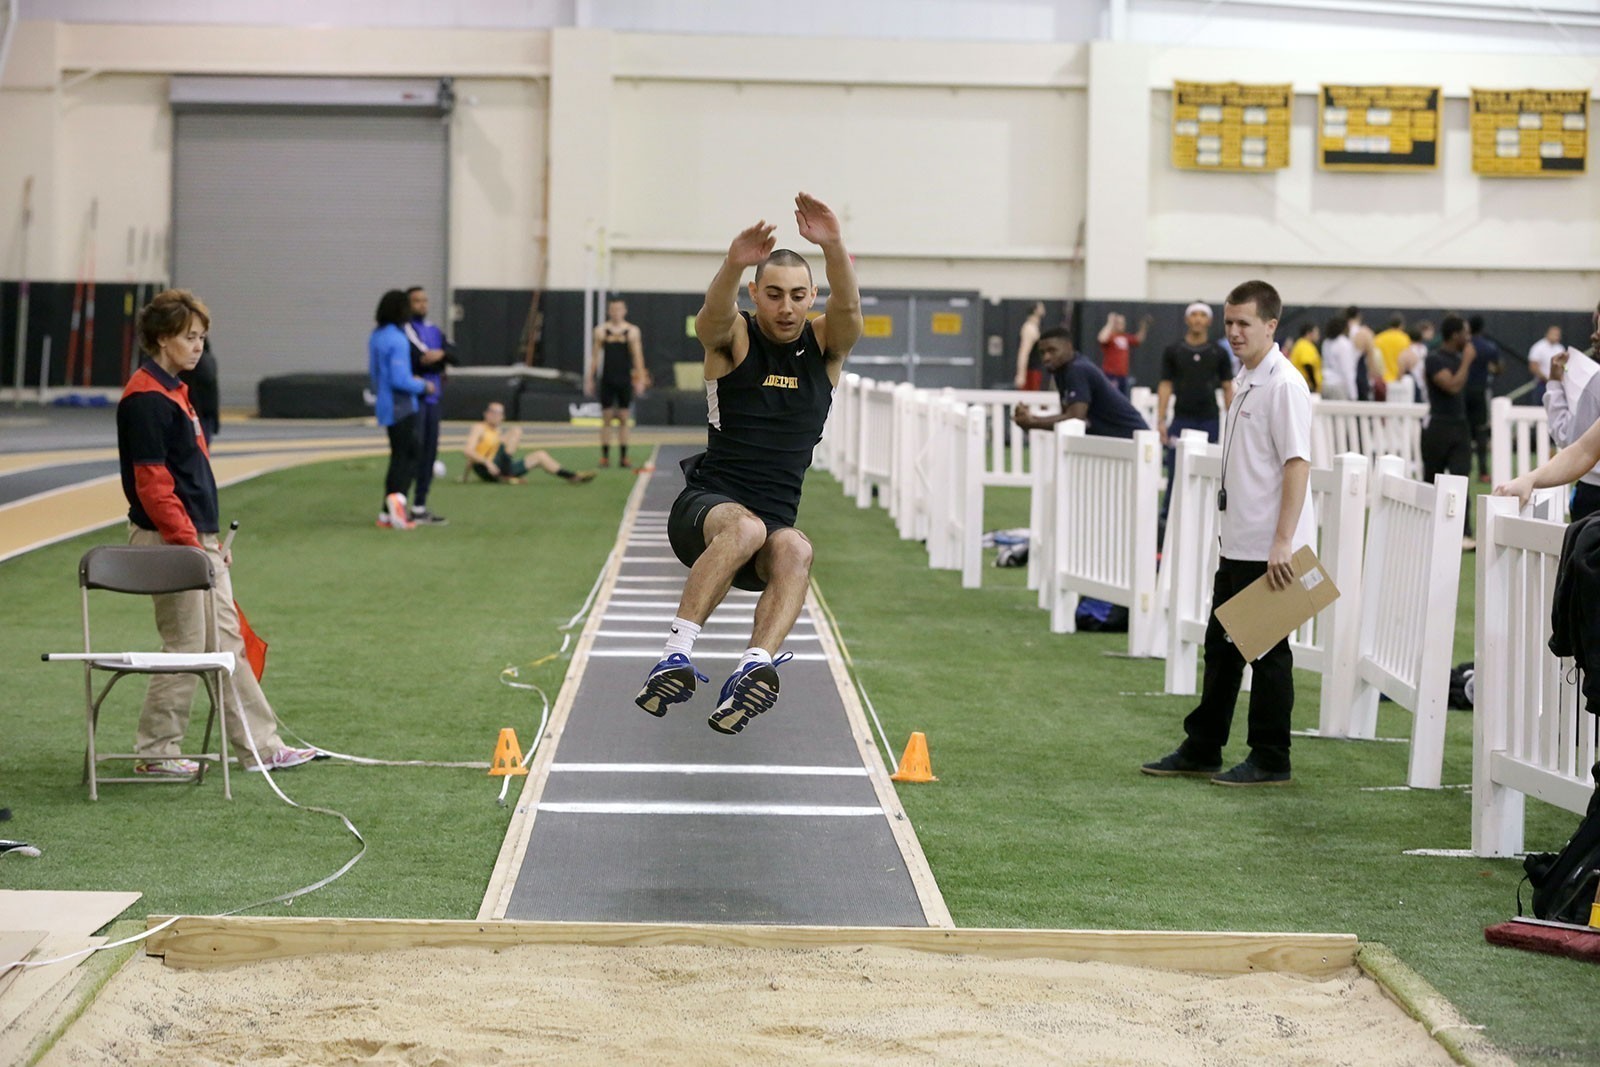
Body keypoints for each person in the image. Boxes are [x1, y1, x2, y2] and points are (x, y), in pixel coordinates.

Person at [636, 192, 862, 734]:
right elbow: (709, 321)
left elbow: (849, 312)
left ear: (812, 298)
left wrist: (833, 245)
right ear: (756, 295)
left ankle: (753, 668)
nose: (787, 308)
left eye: (799, 296)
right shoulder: (735, 337)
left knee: (794, 545)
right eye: (775, 295)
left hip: (770, 526)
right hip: (707, 513)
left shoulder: (826, 345)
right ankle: (674, 655)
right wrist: (734, 264)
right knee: (747, 528)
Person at [116, 289, 318, 775]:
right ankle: (157, 752)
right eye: (190, 336)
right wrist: (191, 544)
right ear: (163, 339)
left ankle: (261, 748)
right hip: (171, 542)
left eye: (202, 336)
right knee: (186, 645)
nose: (199, 345)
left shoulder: (175, 391)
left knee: (227, 644)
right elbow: (154, 486)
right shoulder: (145, 398)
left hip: (194, 541)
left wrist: (207, 541)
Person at [1142, 279, 1312, 787]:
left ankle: (1270, 756)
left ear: (1270, 325)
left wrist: (1283, 541)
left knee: (1269, 653)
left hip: (1271, 547)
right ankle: (1204, 746)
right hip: (1240, 540)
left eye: (1243, 323)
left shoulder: (1283, 384)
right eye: (1229, 323)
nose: (1233, 332)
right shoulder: (1247, 378)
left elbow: (1297, 464)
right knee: (1222, 648)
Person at [1010, 327, 1149, 439]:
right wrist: (1031, 420)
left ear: (1069, 347)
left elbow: (1075, 418)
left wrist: (1033, 421)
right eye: (1042, 352)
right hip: (1118, 443)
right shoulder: (1061, 371)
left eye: (1052, 350)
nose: (1046, 357)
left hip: (1133, 442)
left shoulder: (1077, 369)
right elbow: (1070, 419)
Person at [369, 289, 432, 530]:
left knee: (401, 455)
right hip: (401, 404)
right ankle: (397, 508)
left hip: (386, 402)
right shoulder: (397, 338)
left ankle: (387, 512)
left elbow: (375, 375)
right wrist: (423, 386)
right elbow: (400, 379)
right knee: (407, 458)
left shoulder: (377, 336)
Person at [1540, 301, 1600, 522]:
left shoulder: (1596, 383)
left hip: (1593, 495)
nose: (1594, 336)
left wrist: (1555, 385)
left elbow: (1572, 440)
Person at [1421, 316, 1477, 548]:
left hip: (1460, 425)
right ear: (1455, 335)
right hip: (1438, 427)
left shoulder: (1457, 357)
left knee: (1460, 480)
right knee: (1431, 480)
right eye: (1465, 333)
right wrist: (1466, 362)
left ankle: (1463, 534)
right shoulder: (1434, 359)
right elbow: (1452, 386)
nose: (1468, 338)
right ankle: (1426, 531)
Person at [404, 286, 452, 525]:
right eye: (417, 301)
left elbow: (454, 354)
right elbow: (417, 361)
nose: (422, 305)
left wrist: (439, 356)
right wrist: (436, 360)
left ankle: (420, 506)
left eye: (425, 300)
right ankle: (397, 504)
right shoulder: (406, 329)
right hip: (414, 401)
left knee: (430, 453)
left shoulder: (433, 329)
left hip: (434, 400)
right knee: (412, 453)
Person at [1155, 302, 1234, 446]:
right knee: (1176, 464)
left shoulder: (1219, 352)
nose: (1198, 319)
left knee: (1207, 466)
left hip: (1209, 419)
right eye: (1194, 314)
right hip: (1181, 417)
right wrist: (1160, 419)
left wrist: (1236, 423)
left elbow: (1227, 387)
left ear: (1209, 321)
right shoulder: (1173, 351)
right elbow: (1165, 385)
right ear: (1186, 319)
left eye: (1203, 315)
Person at [463, 401, 594, 485]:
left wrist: (465, 478)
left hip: (500, 468)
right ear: (486, 414)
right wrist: (485, 464)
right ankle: (507, 476)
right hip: (489, 469)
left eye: (500, 413)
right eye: (494, 412)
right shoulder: (479, 428)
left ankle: (572, 476)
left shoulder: (497, 431)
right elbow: (469, 451)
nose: (497, 416)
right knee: (515, 431)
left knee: (540, 455)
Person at [587, 297, 647, 468]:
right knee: (606, 418)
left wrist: (640, 379)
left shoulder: (632, 331)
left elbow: (637, 356)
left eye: (619, 309)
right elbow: (595, 357)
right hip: (607, 378)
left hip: (624, 379)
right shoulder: (601, 331)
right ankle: (605, 456)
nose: (616, 312)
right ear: (609, 311)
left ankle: (623, 456)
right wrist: (590, 378)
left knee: (623, 417)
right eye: (613, 309)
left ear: (624, 311)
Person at [1467, 316, 1504, 483]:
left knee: (1464, 431)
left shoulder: (1464, 346)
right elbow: (1498, 368)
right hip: (1481, 392)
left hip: (1463, 392)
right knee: (1481, 431)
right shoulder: (1489, 347)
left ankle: (1463, 470)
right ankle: (1483, 472)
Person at [1097, 310, 1150, 396]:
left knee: (1123, 398)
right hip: (1111, 375)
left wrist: (1143, 327)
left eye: (1123, 323)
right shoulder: (1110, 336)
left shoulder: (1125, 337)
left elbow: (1138, 339)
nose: (1122, 325)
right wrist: (1109, 323)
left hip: (1123, 375)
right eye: (1118, 323)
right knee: (1112, 397)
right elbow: (1101, 338)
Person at [178, 336, 220, 442]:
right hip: (208, 410)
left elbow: (191, 389)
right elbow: (214, 391)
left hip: (197, 410)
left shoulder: (192, 363)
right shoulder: (210, 360)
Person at [1319, 314, 1358, 400]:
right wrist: (1353, 394)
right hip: (1338, 386)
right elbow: (1347, 370)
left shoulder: (1326, 342)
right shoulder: (1343, 344)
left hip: (1325, 383)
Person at [1394, 321, 1434, 403]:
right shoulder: (1425, 349)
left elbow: (1401, 371)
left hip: (1413, 384)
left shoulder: (1407, 352)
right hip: (1424, 384)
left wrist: (1398, 382)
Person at [1012, 301, 1047, 390]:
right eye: (1041, 307)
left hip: (1035, 370)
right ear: (1035, 310)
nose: (1044, 308)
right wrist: (1021, 375)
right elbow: (1023, 353)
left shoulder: (1036, 327)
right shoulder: (1029, 328)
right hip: (1030, 372)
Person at [1529, 324, 1566, 405]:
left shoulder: (1560, 348)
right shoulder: (1538, 347)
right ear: (1548, 334)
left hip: (1557, 384)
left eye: (1558, 335)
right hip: (1542, 384)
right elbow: (1533, 367)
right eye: (1554, 334)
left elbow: (1564, 365)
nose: (1556, 337)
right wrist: (1547, 379)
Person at [1372, 314, 1410, 384]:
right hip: (1398, 379)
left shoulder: (1379, 338)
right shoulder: (1405, 339)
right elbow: (1405, 360)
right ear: (1401, 325)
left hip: (1382, 380)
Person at [1288, 322, 1321, 393]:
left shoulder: (1301, 344)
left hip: (1302, 385)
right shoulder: (1305, 345)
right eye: (1316, 332)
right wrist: (1314, 384)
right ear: (1309, 333)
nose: (1318, 335)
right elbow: (1307, 365)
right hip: (1306, 386)